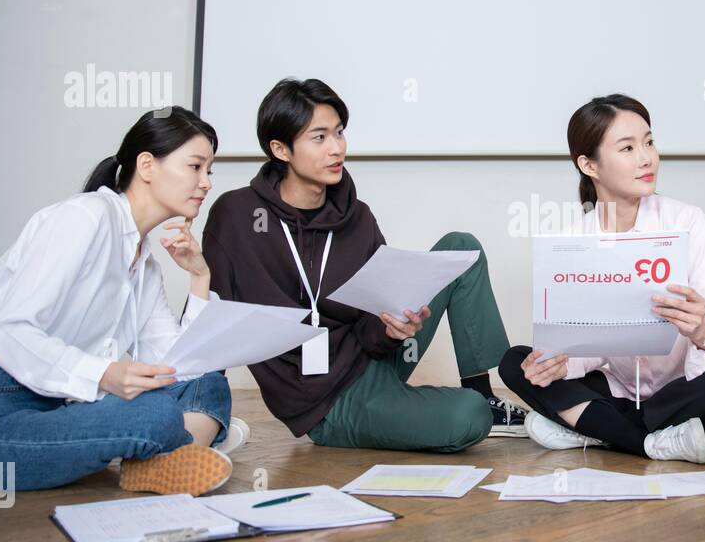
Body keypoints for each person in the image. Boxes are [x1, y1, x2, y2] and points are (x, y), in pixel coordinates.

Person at [0, 107, 242, 495]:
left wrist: (200, 277)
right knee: (156, 413)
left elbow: (183, 366)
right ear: (147, 165)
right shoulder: (85, 216)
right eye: (196, 167)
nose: (206, 182)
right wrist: (104, 374)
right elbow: (9, 333)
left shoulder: (146, 268)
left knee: (209, 381)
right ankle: (180, 448)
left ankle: (165, 458)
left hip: (58, 408)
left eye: (209, 171)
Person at [201, 78, 525, 452]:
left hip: (374, 355)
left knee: (461, 248)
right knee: (467, 418)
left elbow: (373, 313)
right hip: (326, 400)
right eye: (319, 137)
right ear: (280, 149)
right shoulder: (237, 216)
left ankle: (482, 392)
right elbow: (213, 318)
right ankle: (462, 407)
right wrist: (204, 418)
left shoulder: (356, 217)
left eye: (339, 133)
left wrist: (393, 328)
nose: (337, 148)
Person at [498, 94, 705, 464]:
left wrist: (702, 329)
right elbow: (586, 342)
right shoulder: (575, 241)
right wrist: (558, 364)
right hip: (623, 389)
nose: (647, 158)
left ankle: (595, 428)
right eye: (628, 148)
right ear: (589, 165)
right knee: (515, 362)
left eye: (649, 142)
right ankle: (648, 441)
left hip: (692, 390)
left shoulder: (687, 221)